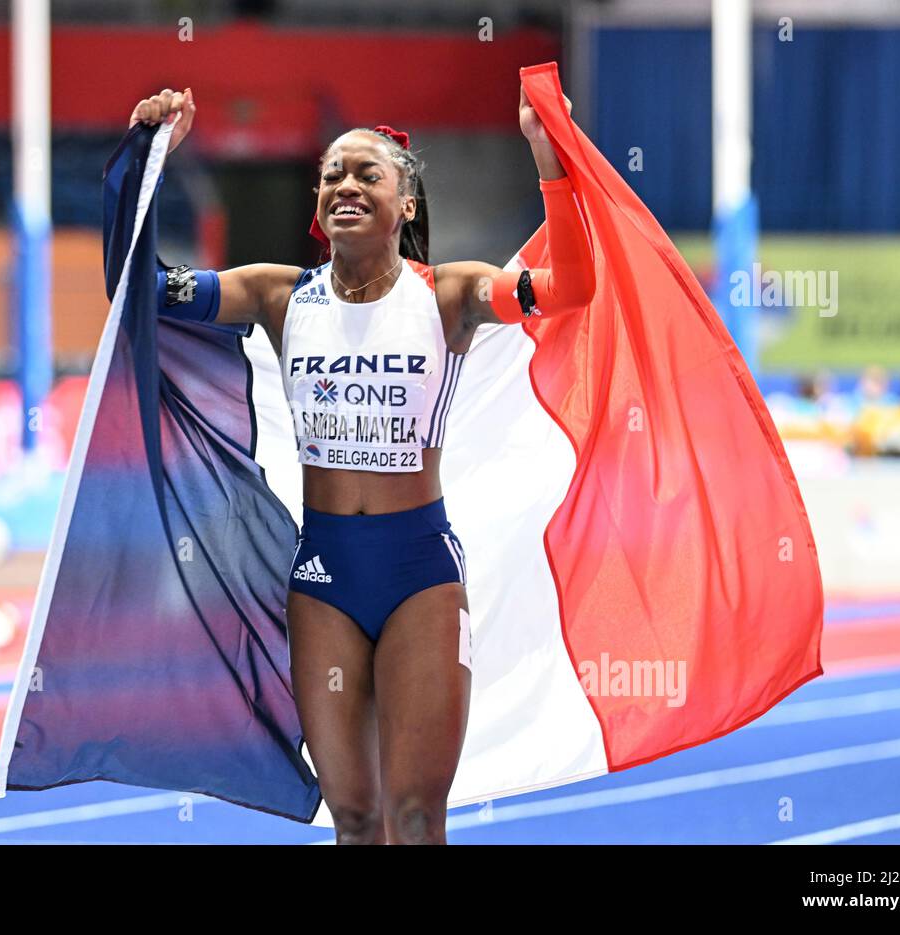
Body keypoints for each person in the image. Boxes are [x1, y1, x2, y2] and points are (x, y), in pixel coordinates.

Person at [129, 86, 595, 844]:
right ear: (318, 204)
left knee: (413, 818)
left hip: (420, 576)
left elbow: (573, 287)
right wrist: (150, 163)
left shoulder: (451, 294)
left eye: (368, 174)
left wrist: (550, 157)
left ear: (405, 203)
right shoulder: (276, 296)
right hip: (323, 580)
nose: (346, 183)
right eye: (332, 173)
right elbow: (140, 292)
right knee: (353, 820)